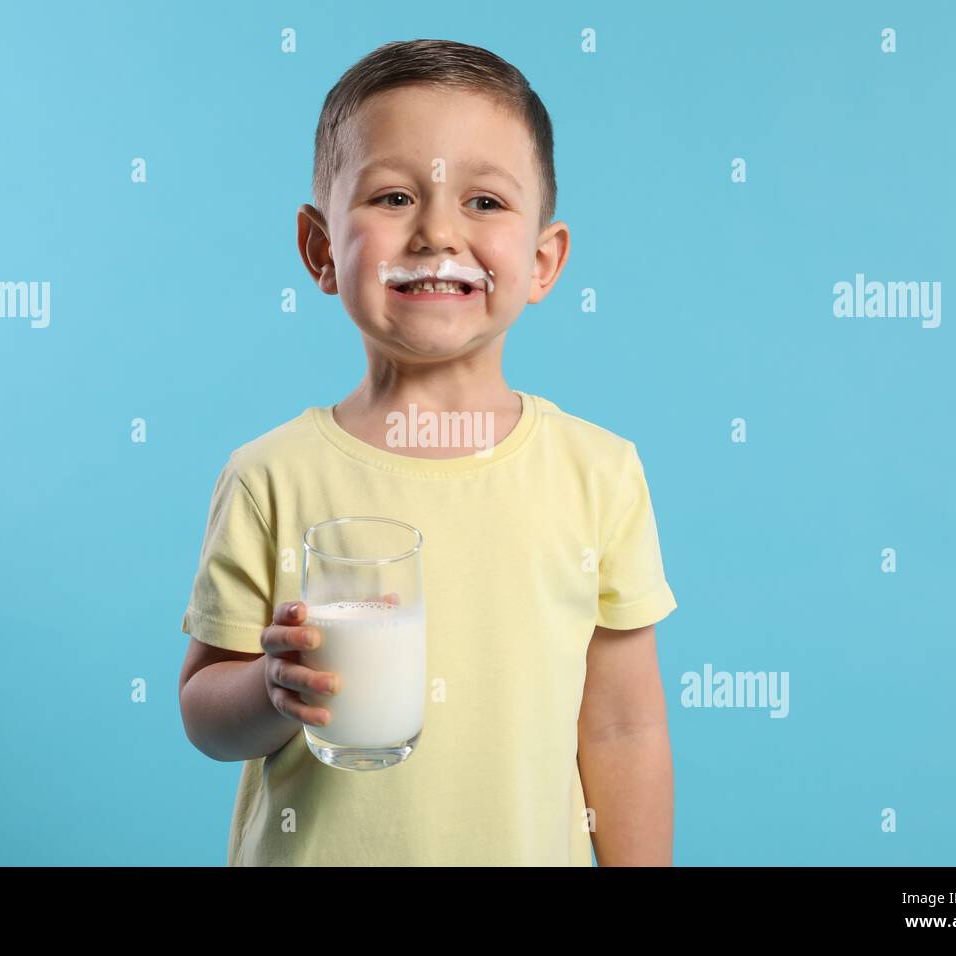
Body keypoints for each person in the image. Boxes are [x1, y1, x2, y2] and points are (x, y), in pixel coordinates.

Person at [178, 38, 679, 866]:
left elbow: (623, 727)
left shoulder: (599, 475)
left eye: (485, 201)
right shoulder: (270, 476)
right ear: (320, 250)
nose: (438, 231)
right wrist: (272, 691)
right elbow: (204, 709)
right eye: (395, 196)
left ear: (545, 260)